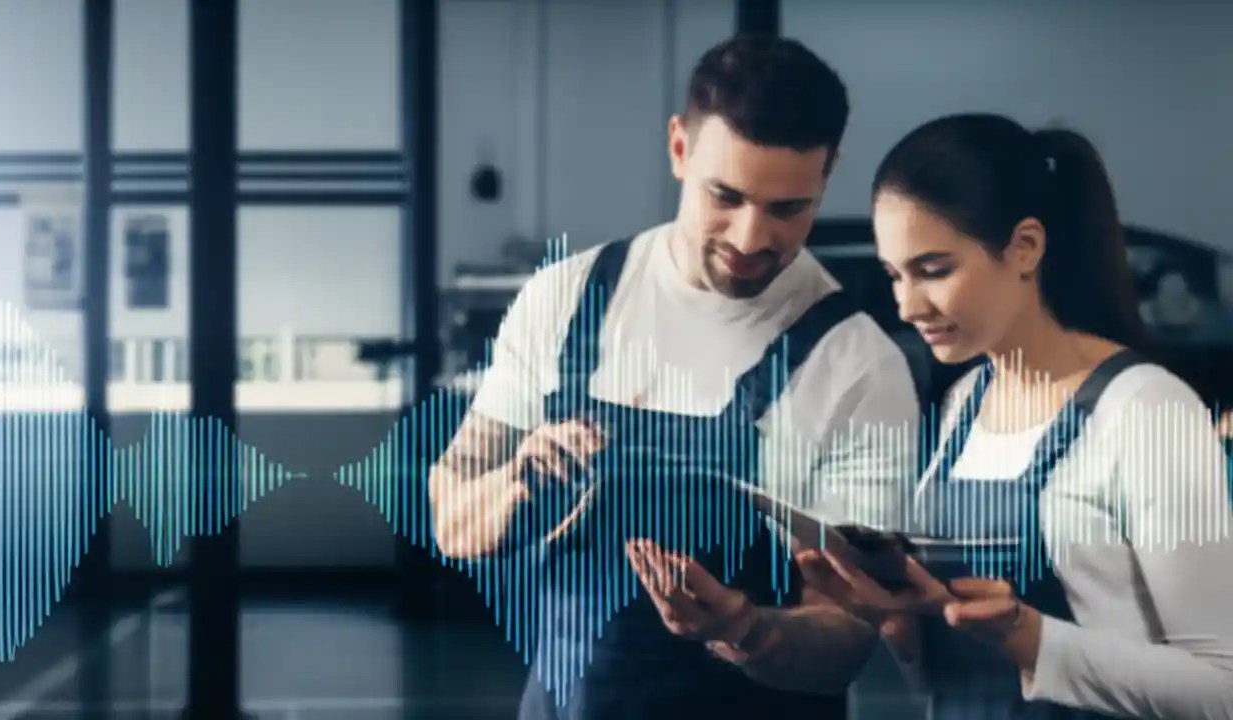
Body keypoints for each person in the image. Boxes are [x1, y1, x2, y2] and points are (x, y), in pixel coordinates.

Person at [427, 36, 922, 719]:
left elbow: (847, 638)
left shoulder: (857, 365)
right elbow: (451, 518)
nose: (751, 239)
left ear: (828, 174)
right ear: (679, 149)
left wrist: (744, 629)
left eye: (787, 209)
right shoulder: (565, 299)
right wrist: (516, 485)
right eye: (726, 195)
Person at [797, 112, 1233, 719]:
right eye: (895, 275)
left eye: (934, 270)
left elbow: (1221, 690)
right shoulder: (962, 408)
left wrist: (1028, 637)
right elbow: (950, 680)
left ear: (1024, 247)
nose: (907, 304)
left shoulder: (1146, 412)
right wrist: (901, 621)